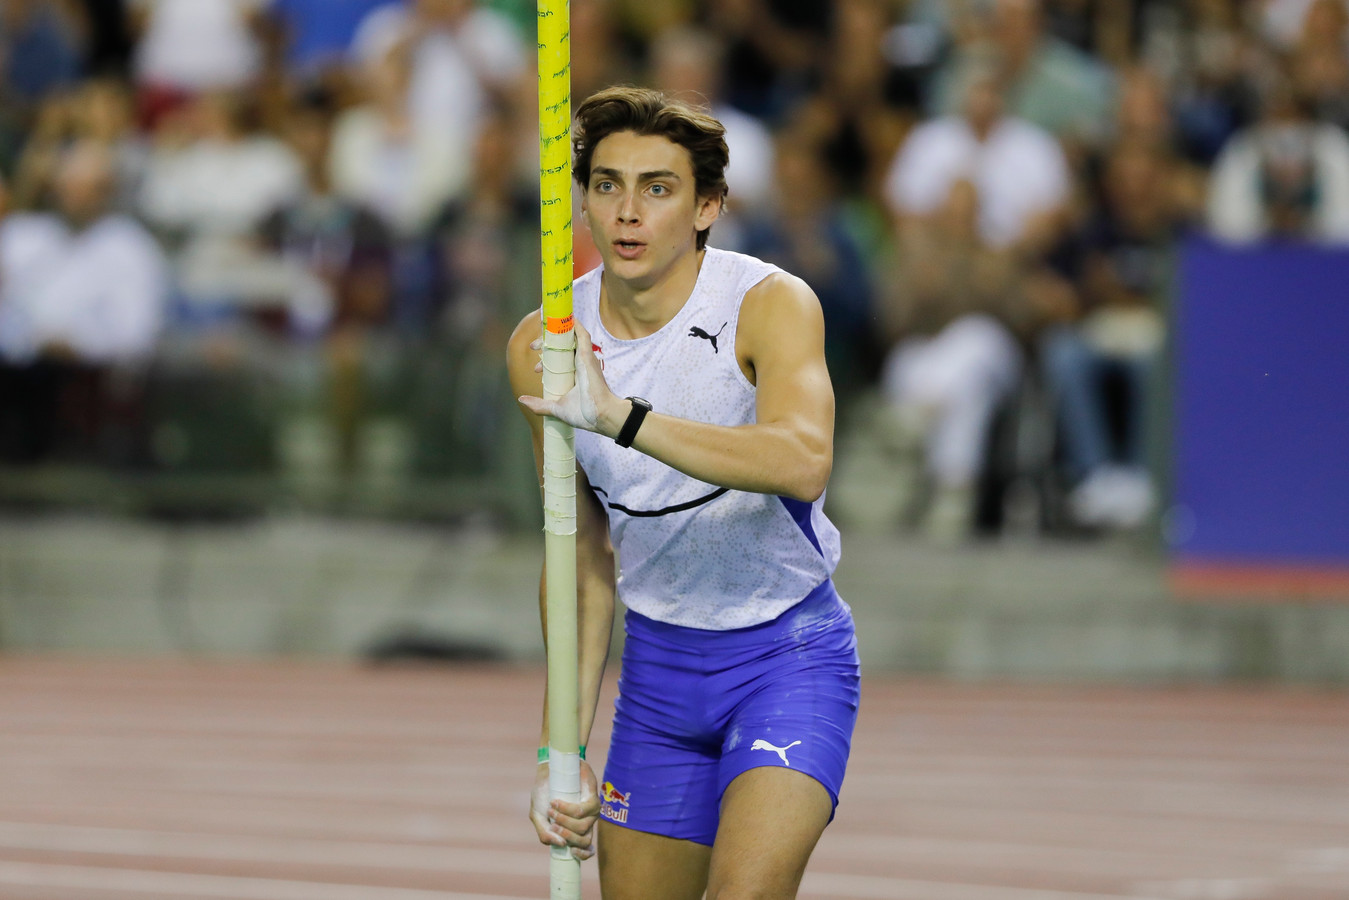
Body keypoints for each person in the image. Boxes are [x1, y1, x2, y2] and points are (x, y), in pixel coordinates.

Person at [506, 86, 859, 899]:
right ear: (583, 201)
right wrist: (559, 753)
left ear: (706, 207)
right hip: (658, 679)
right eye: (607, 185)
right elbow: (579, 555)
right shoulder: (542, 347)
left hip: (786, 659)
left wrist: (622, 417)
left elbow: (802, 459)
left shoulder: (765, 304)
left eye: (656, 189)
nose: (628, 212)